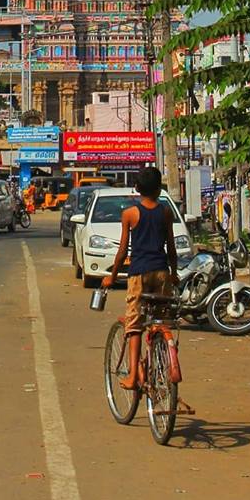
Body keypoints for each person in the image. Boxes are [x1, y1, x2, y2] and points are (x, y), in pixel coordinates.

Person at [102, 167, 178, 391]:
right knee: (160, 320)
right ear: (158, 188)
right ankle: (161, 356)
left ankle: (134, 375)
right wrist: (173, 274)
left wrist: (111, 277)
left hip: (139, 274)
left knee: (134, 326)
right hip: (162, 272)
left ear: (137, 189)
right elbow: (171, 248)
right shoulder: (165, 213)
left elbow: (123, 251)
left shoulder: (130, 214)